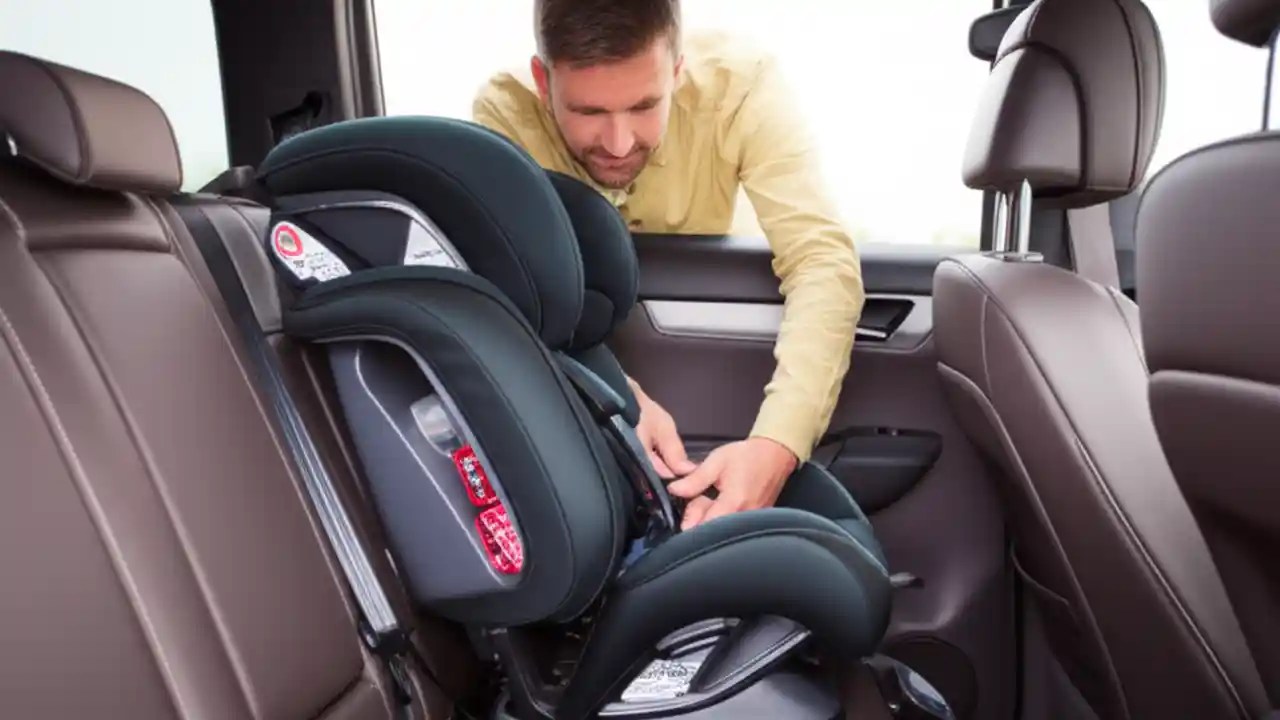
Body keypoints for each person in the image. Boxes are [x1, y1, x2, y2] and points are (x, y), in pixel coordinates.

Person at [472, 0, 864, 529]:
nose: (618, 142)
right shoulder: (505, 113)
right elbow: (518, 294)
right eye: (589, 113)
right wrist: (620, 398)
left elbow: (821, 261)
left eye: (644, 106)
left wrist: (776, 446)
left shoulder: (742, 85)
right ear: (544, 82)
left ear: (677, 70)